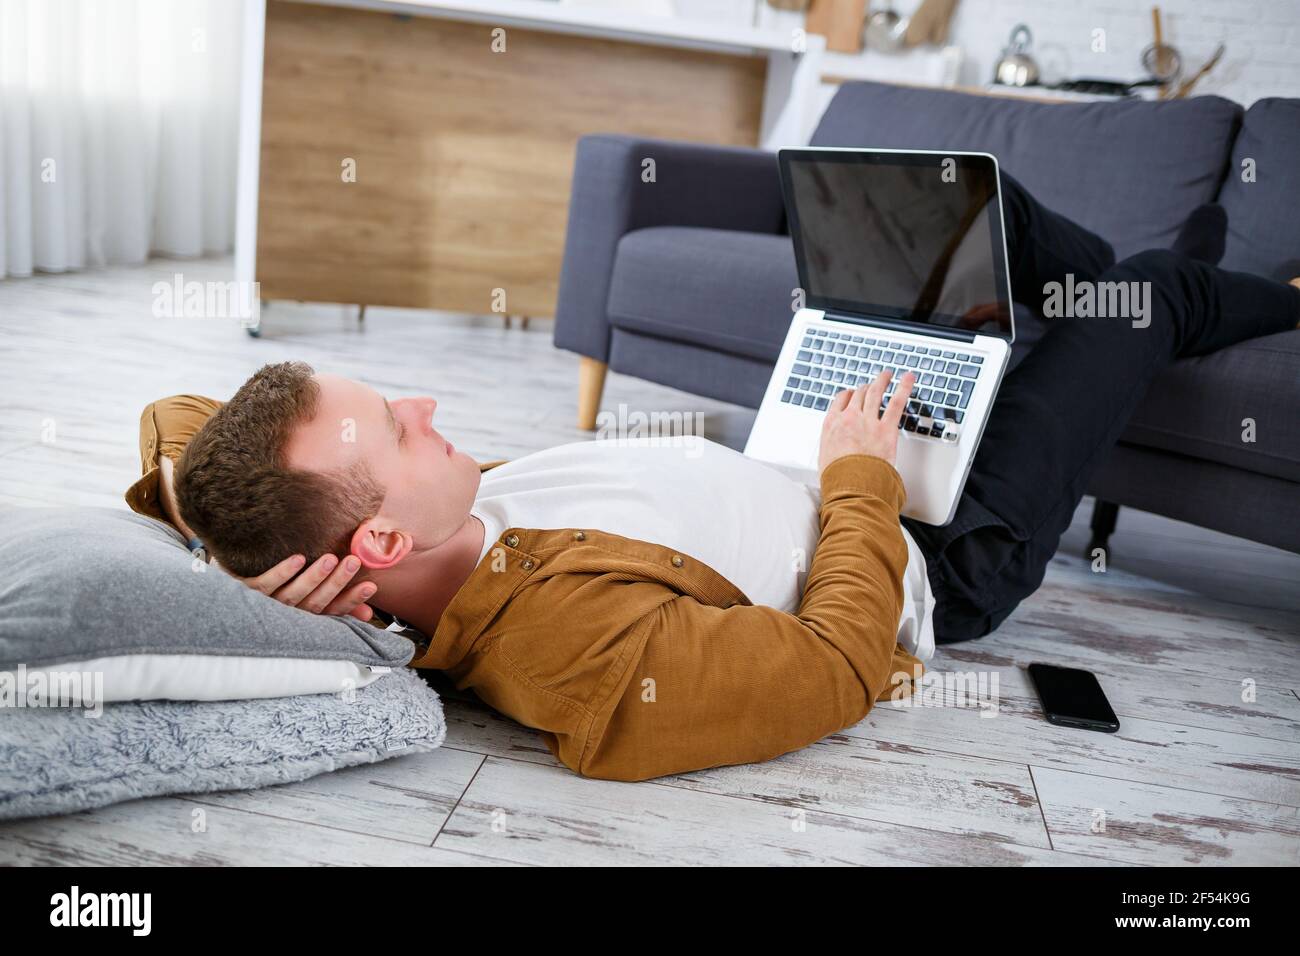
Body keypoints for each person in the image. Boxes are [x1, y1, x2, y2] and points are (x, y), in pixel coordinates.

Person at [125, 178, 1300, 781]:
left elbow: (186, 429)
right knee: (1143, 302)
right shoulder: (574, 656)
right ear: (378, 546)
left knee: (961, 197)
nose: (428, 405)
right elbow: (837, 670)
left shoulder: (426, 519)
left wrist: (226, 545)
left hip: (818, 457)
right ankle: (1207, 287)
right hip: (930, 550)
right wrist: (860, 483)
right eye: (398, 426)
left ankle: (1138, 278)